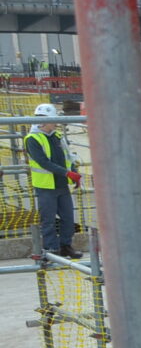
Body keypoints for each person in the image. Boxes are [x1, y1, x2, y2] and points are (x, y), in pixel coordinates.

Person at [25, 103, 82, 260]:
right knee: (48, 220)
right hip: (45, 186)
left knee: (68, 218)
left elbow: (67, 157)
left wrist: (74, 173)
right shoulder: (32, 139)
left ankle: (65, 246)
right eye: (53, 119)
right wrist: (67, 173)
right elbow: (44, 162)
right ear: (44, 121)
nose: (56, 122)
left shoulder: (57, 136)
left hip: (62, 185)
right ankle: (51, 249)